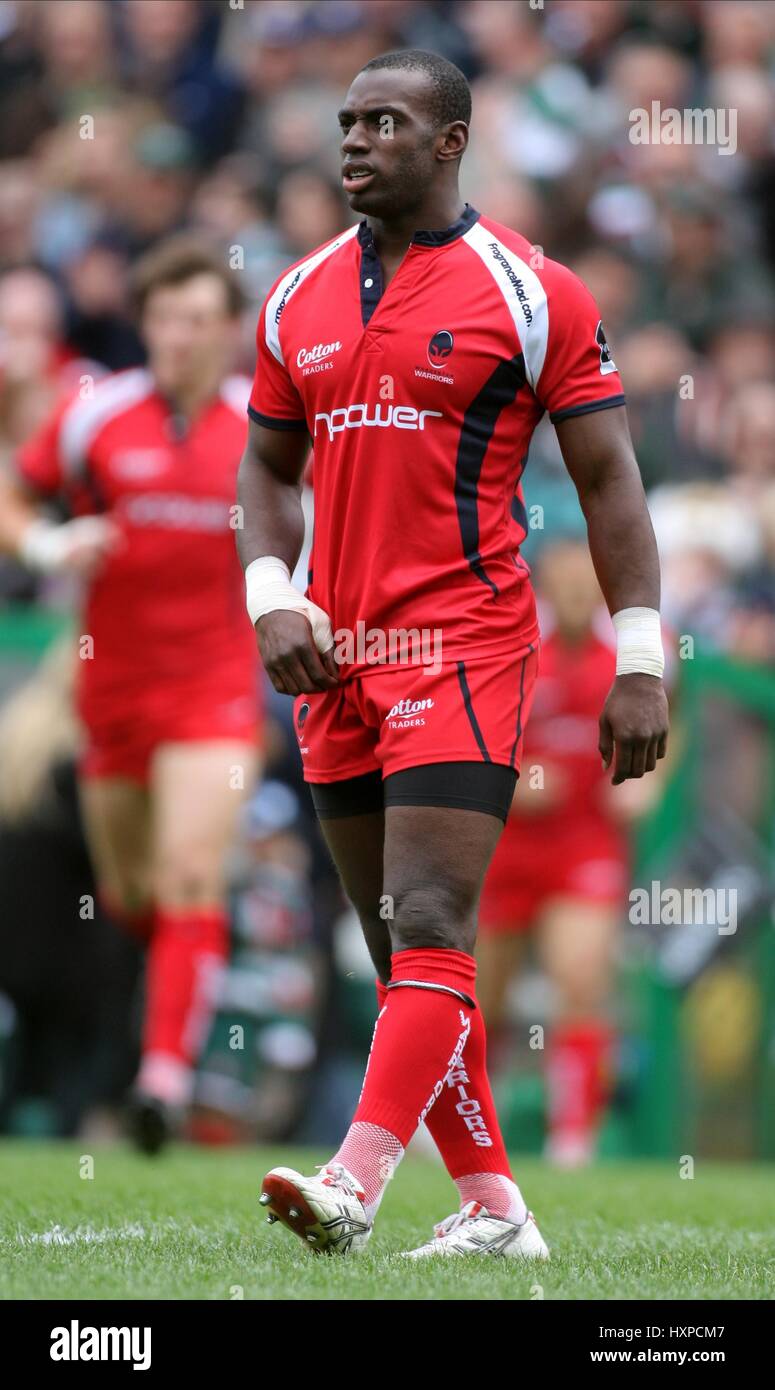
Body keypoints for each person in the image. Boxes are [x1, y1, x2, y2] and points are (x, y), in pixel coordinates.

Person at [237, 49, 668, 1259]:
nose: (356, 140)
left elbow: (607, 476)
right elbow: (267, 469)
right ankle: (492, 1208)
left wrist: (640, 654)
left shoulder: (533, 290)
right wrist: (273, 593)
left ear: (448, 142)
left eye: (387, 121)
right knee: (403, 957)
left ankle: (353, 1181)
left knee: (429, 919)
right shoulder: (293, 297)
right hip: (333, 657)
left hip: (463, 643)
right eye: (346, 121)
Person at [0, 237, 261, 1152]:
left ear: (229, 332)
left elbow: (324, 533)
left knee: (193, 868)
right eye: (161, 318)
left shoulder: (265, 429)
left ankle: (161, 1080)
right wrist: (47, 547)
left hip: (219, 693)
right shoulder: (94, 416)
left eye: (196, 320)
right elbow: (13, 499)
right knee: (133, 893)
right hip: (109, 694)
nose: (176, 336)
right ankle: (141, 1039)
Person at [477, 535, 631, 1168]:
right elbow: (480, 739)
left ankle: (573, 1138)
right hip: (509, 849)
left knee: (581, 976)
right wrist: (523, 779)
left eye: (584, 584)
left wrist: (645, 784)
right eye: (563, 583)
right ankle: (468, 1127)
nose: (573, 595)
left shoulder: (624, 663)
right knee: (485, 995)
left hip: (584, 845)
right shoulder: (515, 657)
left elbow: (667, 732)